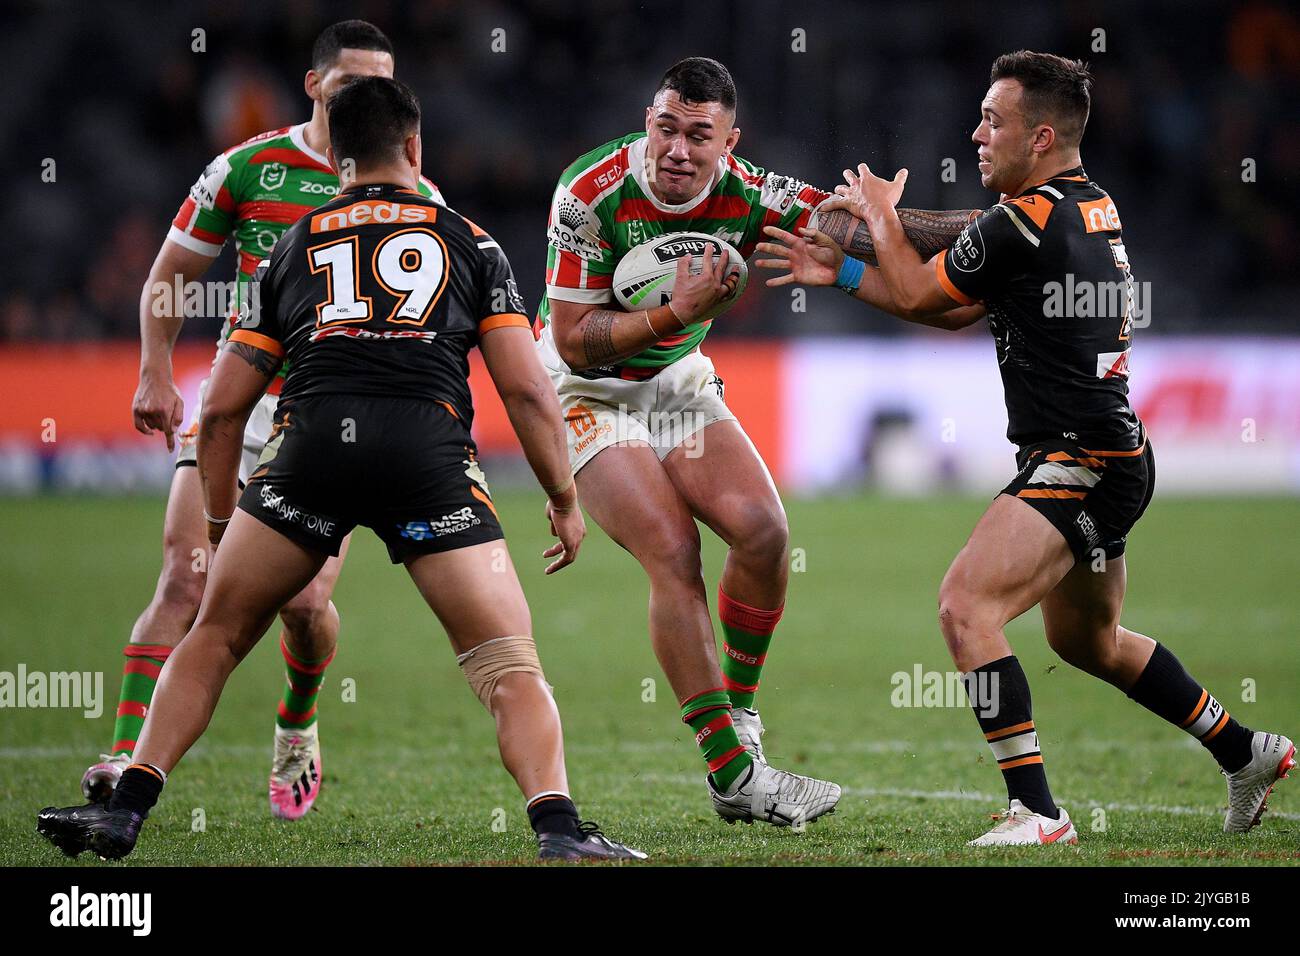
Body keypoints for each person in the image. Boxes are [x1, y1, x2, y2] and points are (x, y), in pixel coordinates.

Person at [40, 75, 643, 862]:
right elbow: (527, 387)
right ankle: (559, 831)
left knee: (216, 634)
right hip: (428, 455)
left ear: (340, 157)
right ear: (415, 148)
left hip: (311, 448)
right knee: (506, 663)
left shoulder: (293, 246)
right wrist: (563, 497)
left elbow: (222, 410)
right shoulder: (471, 238)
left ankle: (128, 807)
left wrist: (225, 524)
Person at [756, 50, 1293, 845]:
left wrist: (874, 217)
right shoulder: (1089, 206)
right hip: (1114, 456)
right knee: (1088, 642)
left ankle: (1037, 814)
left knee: (965, 606)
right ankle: (1245, 750)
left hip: (1078, 461)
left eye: (992, 121)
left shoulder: (1025, 220)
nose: (976, 133)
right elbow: (948, 311)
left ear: (1040, 136)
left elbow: (913, 288)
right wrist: (839, 275)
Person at [87, 20, 443, 820]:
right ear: (315, 85)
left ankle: (298, 715)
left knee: (306, 607)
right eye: (353, 82)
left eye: (382, 83)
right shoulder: (246, 169)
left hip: (333, 413)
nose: (368, 97)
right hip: (239, 404)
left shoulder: (413, 192)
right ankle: (123, 754)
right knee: (188, 573)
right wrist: (153, 371)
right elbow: (171, 273)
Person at [536, 56, 848, 826]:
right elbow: (575, 344)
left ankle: (739, 725)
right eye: (666, 128)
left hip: (672, 380)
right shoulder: (589, 192)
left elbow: (854, 229)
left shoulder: (753, 193)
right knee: (672, 551)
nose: (677, 149)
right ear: (649, 122)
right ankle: (735, 776)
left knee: (765, 531)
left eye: (697, 136)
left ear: (728, 142)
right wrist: (677, 313)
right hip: (584, 392)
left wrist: (976, 226)